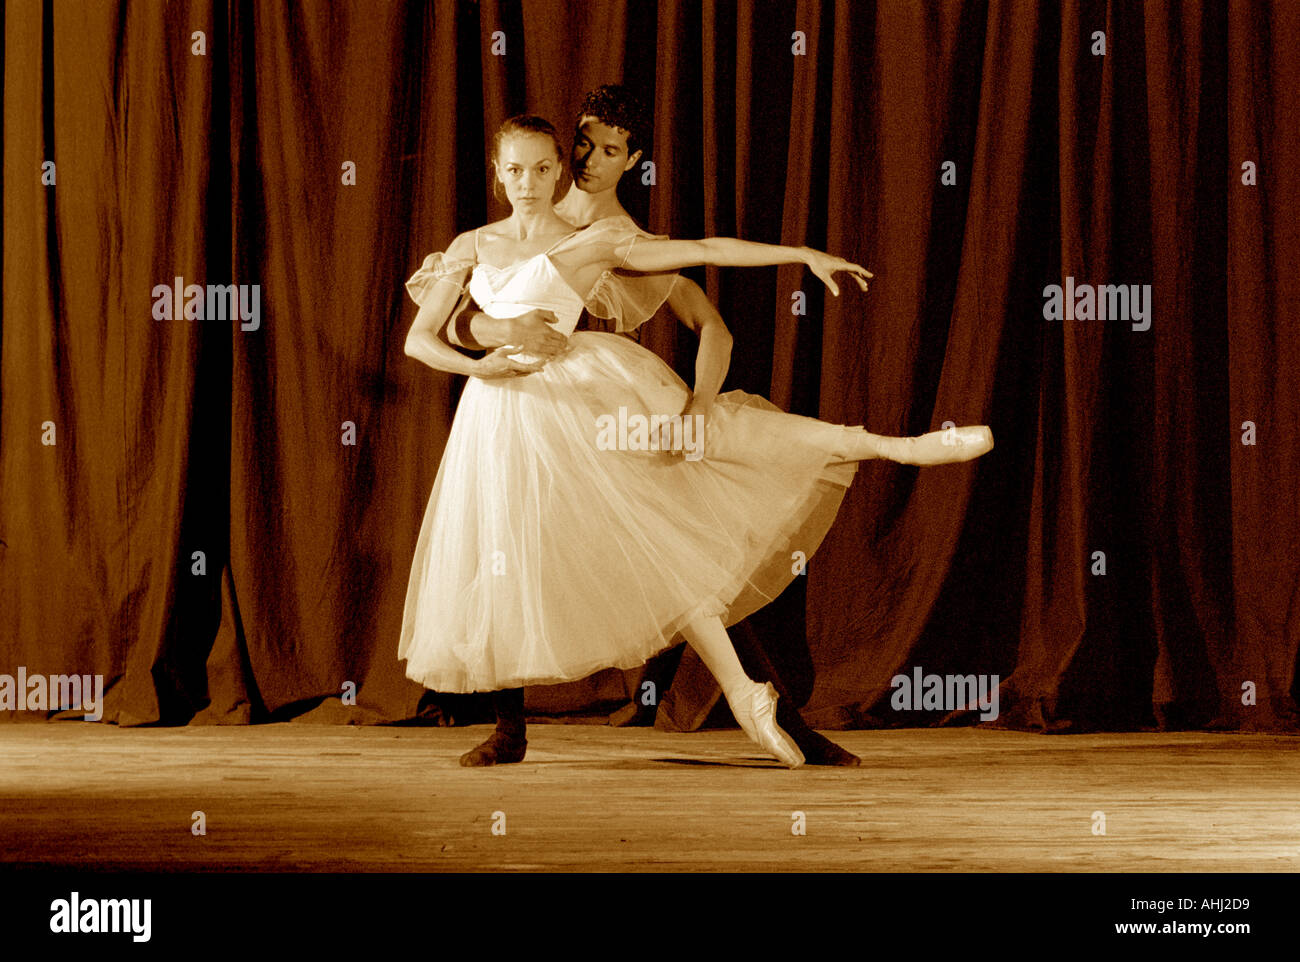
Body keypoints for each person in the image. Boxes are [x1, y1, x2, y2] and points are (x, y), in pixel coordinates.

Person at [400, 114, 992, 769]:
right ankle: (510, 730)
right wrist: (481, 362)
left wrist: (799, 254)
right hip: (496, 415)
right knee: (501, 549)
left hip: (573, 404)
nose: (528, 182)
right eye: (514, 169)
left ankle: (881, 453)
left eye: (543, 168)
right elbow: (420, 338)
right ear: (496, 172)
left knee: (656, 534)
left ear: (562, 170)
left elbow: (706, 248)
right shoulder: (470, 246)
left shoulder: (592, 241)